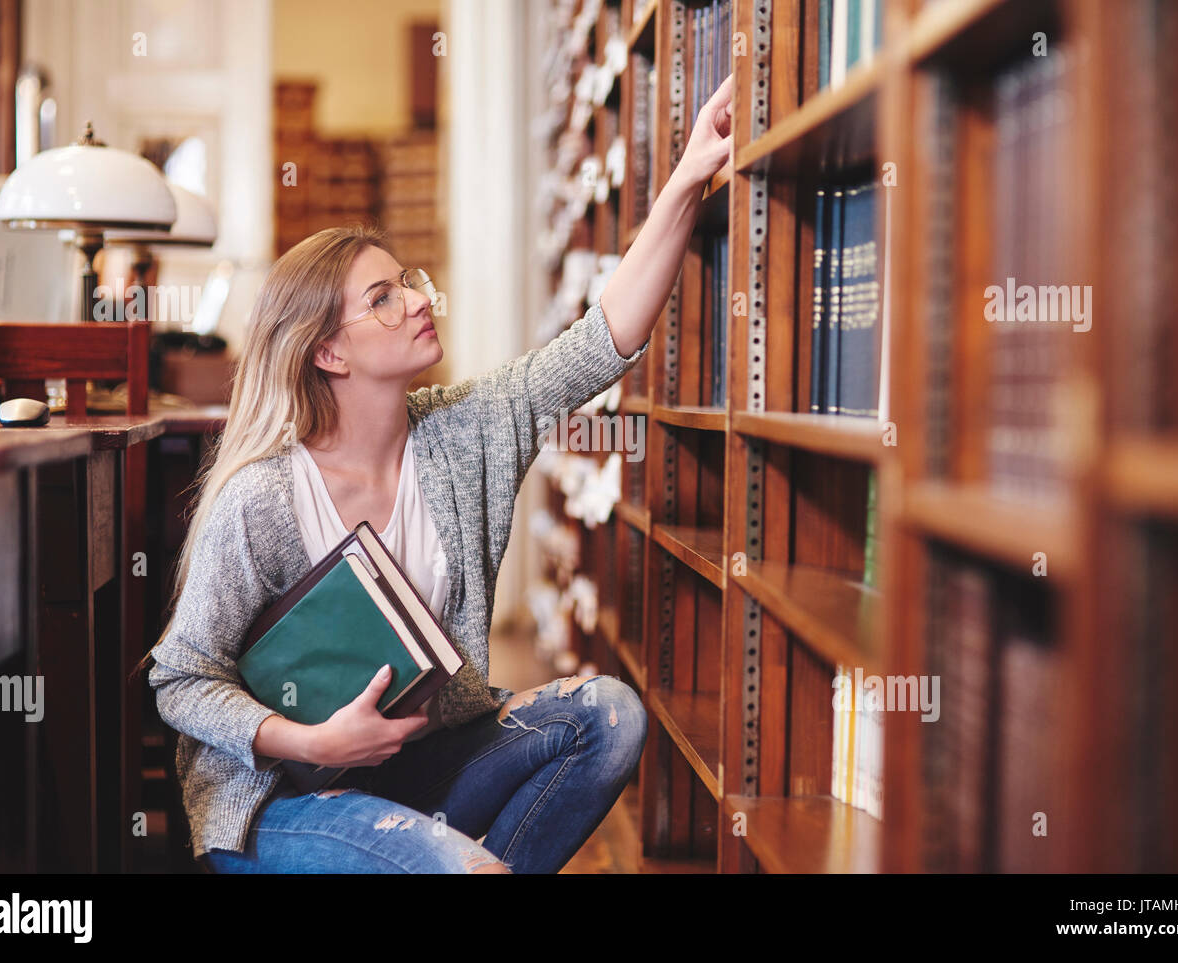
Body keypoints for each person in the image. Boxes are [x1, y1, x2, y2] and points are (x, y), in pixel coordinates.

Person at [142, 75, 734, 874]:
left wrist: (691, 174)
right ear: (329, 351)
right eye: (383, 298)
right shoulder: (263, 496)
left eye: (410, 283)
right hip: (280, 799)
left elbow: (603, 339)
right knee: (463, 868)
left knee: (610, 714)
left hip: (420, 766)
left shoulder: (466, 432)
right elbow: (179, 679)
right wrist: (311, 739)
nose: (420, 302)